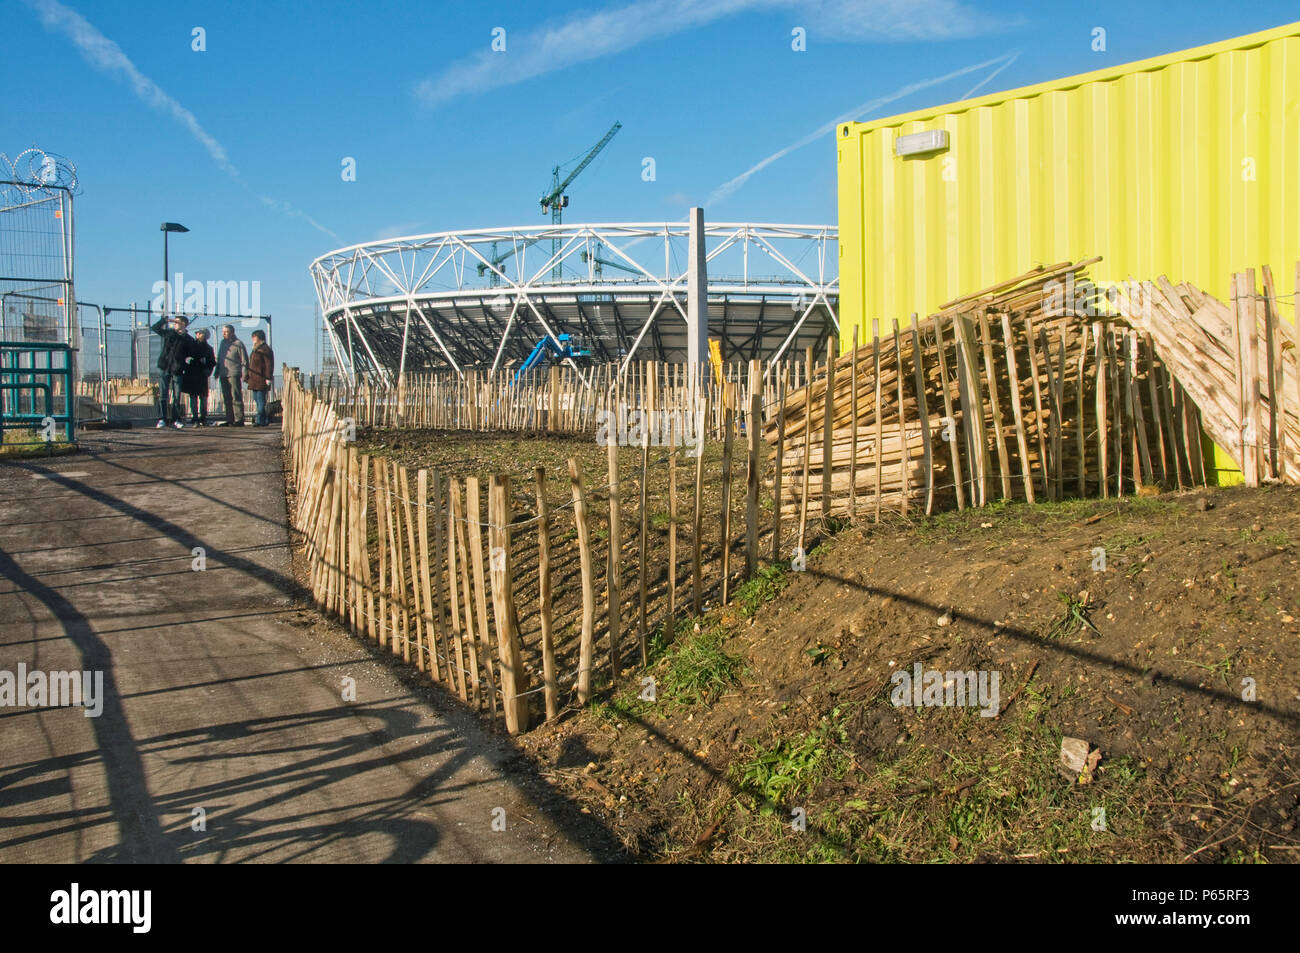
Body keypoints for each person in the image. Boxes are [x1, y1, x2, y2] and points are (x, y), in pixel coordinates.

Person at [151, 314, 193, 429]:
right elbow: (155, 328)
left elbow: (191, 354)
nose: (175, 323)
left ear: (184, 324)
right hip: (165, 367)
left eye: (177, 322)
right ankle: (162, 418)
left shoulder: (188, 339)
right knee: (163, 395)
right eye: (174, 322)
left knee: (177, 395)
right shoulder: (169, 333)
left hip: (177, 370)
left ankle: (176, 419)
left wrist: (183, 364)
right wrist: (164, 320)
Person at [213, 324, 248, 426]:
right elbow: (219, 358)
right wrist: (217, 371)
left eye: (226, 332)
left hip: (234, 373)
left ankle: (239, 419)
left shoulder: (238, 344)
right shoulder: (223, 343)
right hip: (223, 374)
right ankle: (229, 419)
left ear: (232, 332)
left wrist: (244, 374)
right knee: (226, 397)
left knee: (235, 396)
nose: (224, 334)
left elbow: (244, 360)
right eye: (223, 332)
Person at [183, 329, 217, 425]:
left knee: (202, 397)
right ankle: (195, 417)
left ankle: (202, 417)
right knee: (194, 396)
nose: (197, 335)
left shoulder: (208, 348)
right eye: (197, 333)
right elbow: (186, 357)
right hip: (193, 374)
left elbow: (212, 362)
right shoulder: (191, 346)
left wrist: (208, 369)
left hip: (201, 375)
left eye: (200, 333)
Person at [246, 329, 275, 427]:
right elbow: (251, 365)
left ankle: (260, 420)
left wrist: (268, 377)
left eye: (255, 337)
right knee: (256, 399)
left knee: (260, 399)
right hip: (254, 379)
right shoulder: (255, 349)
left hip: (261, 378)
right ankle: (264, 418)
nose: (253, 339)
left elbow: (269, 365)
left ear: (260, 338)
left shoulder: (265, 350)